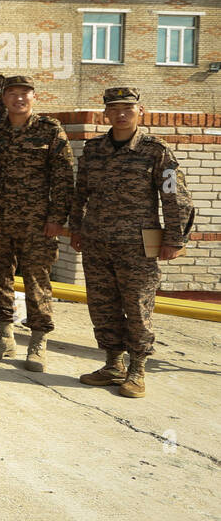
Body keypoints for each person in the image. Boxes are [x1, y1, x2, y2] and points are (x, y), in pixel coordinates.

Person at [71, 87, 194, 398]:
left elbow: (175, 197)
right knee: (102, 306)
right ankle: (113, 364)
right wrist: (77, 229)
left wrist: (174, 239)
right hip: (97, 241)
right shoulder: (94, 149)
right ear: (106, 114)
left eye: (128, 108)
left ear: (141, 111)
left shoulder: (156, 151)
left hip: (138, 245)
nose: (121, 113)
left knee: (137, 308)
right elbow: (80, 193)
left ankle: (137, 369)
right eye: (115, 108)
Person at [0, 75, 75, 371]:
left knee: (37, 281)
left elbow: (63, 177)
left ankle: (37, 342)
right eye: (12, 94)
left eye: (25, 93)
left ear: (34, 97)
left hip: (37, 223)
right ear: (3, 98)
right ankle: (4, 335)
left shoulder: (50, 131)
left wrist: (57, 219)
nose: (18, 99)